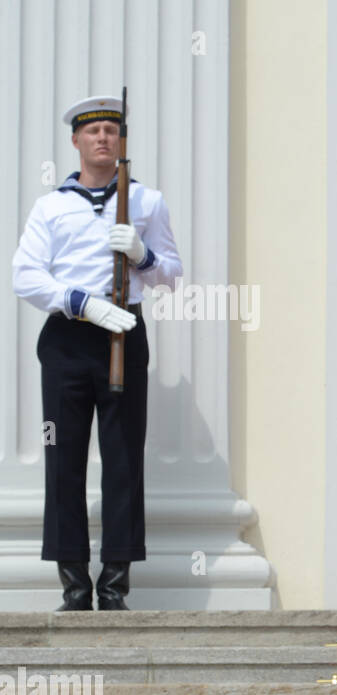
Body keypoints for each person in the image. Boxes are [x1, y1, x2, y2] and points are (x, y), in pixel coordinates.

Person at [12, 95, 183, 611]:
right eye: (93, 131)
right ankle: (73, 586)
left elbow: (172, 276)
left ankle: (114, 587)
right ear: (76, 141)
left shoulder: (146, 202)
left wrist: (142, 253)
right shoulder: (52, 205)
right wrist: (80, 301)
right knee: (62, 457)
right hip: (67, 338)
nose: (102, 137)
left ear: (121, 141)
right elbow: (25, 275)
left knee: (123, 458)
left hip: (123, 335)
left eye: (112, 129)